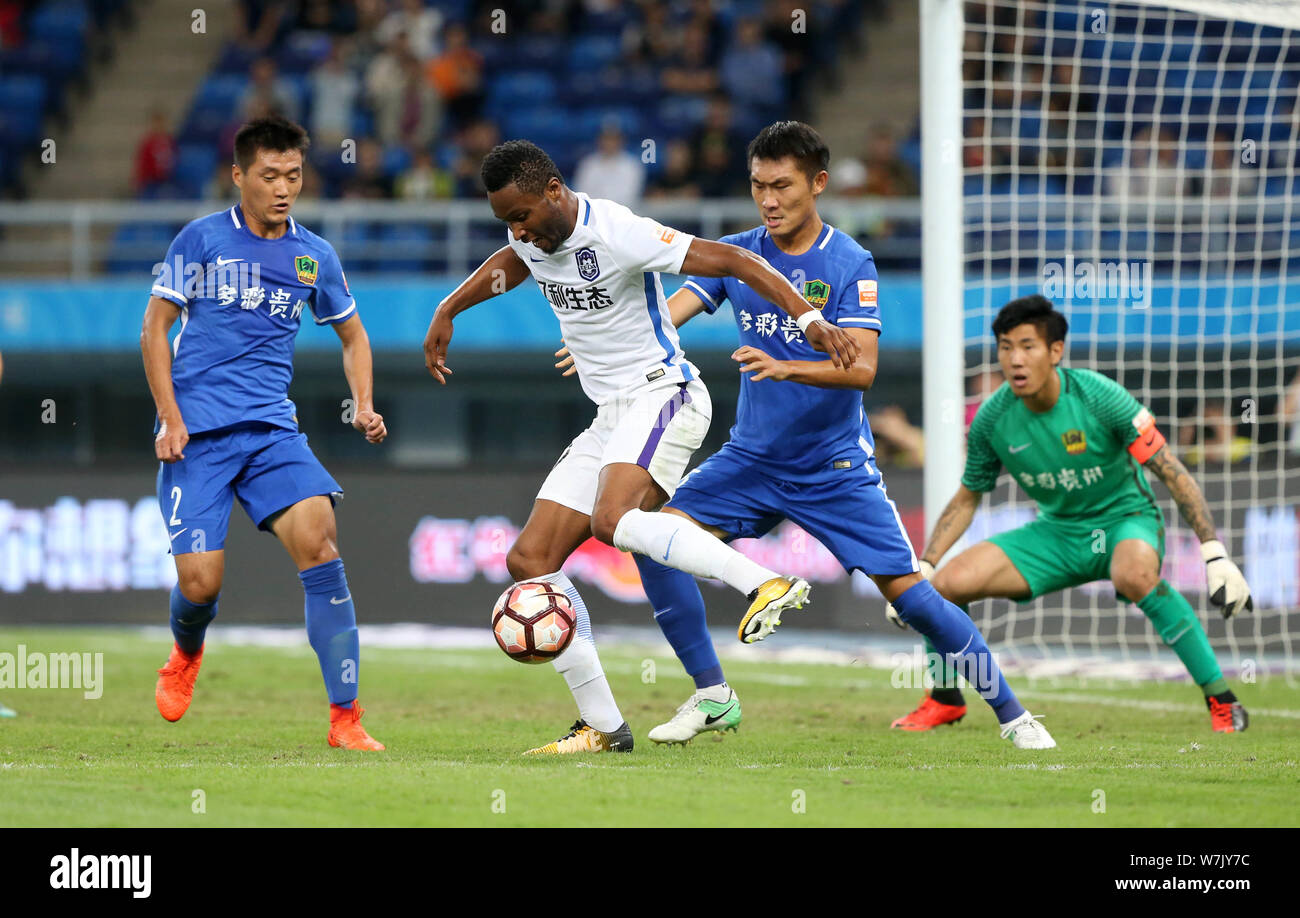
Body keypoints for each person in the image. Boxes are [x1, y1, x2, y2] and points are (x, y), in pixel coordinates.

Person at [559, 123, 1055, 750]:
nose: (769, 199)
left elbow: (863, 370)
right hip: (750, 461)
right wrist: (618, 343)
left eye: (782, 186)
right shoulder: (739, 252)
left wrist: (787, 366)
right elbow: (675, 309)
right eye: (758, 186)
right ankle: (713, 696)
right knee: (652, 538)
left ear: (818, 183)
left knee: (914, 598)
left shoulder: (849, 261)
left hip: (833, 468)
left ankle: (1015, 715)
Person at [423, 139, 860, 754]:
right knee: (529, 562)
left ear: (554, 191)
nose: (518, 231)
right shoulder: (531, 238)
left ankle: (763, 582)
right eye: (507, 221)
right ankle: (603, 725)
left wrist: (811, 321)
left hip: (666, 395)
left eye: (522, 215)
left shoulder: (619, 232)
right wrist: (450, 308)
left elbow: (733, 261)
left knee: (613, 520)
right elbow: (513, 262)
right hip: (612, 415)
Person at [888, 294, 1253, 733]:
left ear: (1055, 351)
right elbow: (968, 496)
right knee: (945, 588)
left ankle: (1222, 699)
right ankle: (944, 697)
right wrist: (926, 566)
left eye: (1028, 346)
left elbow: (1172, 472)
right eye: (1006, 347)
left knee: (1135, 575)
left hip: (1125, 519)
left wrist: (1214, 553)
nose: (1015, 360)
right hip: (1058, 533)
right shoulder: (992, 419)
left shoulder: (1100, 398)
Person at [141, 116, 387, 750]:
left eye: (294, 176)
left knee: (322, 546)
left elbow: (353, 335)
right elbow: (154, 329)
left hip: (272, 432)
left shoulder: (314, 256)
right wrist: (170, 415)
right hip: (196, 435)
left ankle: (346, 719)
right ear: (239, 176)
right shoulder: (198, 241)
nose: (283, 188)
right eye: (270, 176)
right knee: (201, 584)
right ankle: (186, 652)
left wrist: (362, 403)